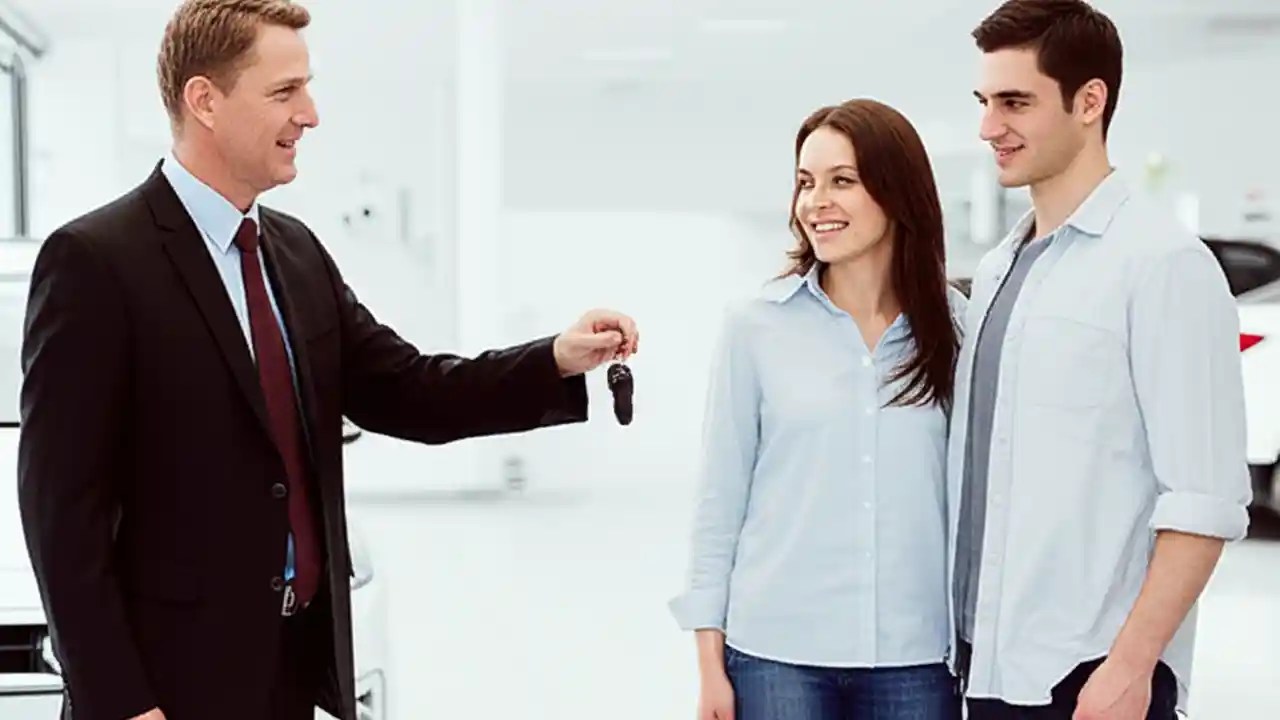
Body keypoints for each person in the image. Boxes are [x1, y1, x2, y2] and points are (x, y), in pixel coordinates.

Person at [16, 2, 638, 720]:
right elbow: (62, 514)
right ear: (204, 100)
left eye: (306, 88)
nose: (309, 114)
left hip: (294, 673)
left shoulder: (296, 252)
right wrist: (121, 705)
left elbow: (408, 390)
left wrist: (555, 360)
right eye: (285, 92)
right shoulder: (96, 261)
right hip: (168, 690)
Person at [951, 1, 1252, 718]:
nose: (990, 127)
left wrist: (1129, 666)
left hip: (1090, 676)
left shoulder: (1162, 265)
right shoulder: (997, 270)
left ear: (1091, 101)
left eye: (1016, 102)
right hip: (985, 662)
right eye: (985, 102)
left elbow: (1204, 499)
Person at [668, 98, 966, 720]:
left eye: (842, 181)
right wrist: (708, 666)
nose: (815, 202)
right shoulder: (755, 326)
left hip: (913, 657)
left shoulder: (956, 328)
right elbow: (719, 502)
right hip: (777, 655)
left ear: (897, 192)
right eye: (806, 182)